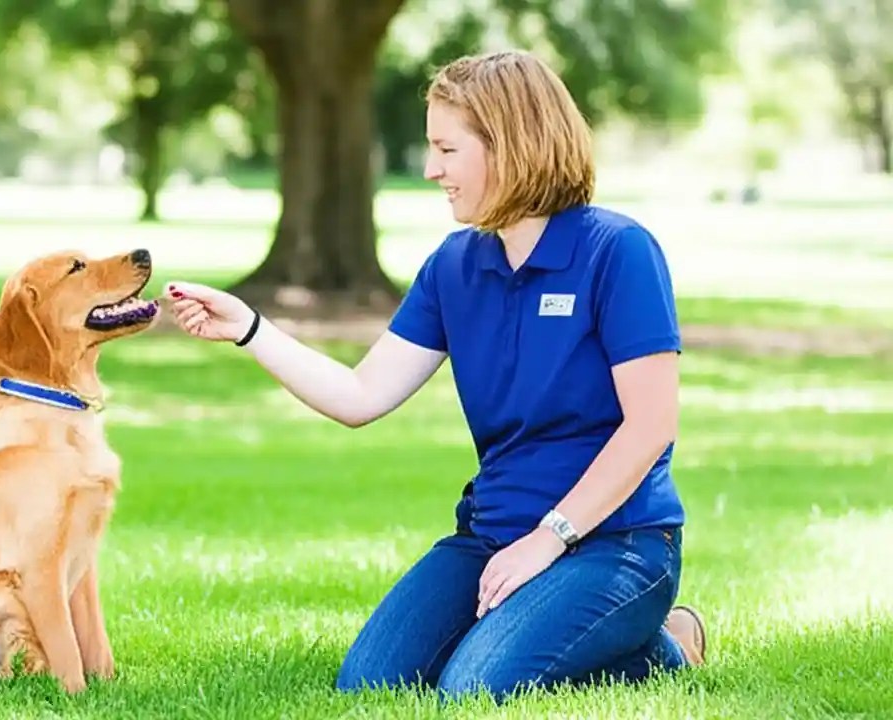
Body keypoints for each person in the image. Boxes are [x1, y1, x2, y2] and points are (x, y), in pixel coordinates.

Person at [163, 49, 707, 703]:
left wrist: (548, 539)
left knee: (473, 687)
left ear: (509, 144)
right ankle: (604, 634)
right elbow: (360, 396)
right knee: (372, 680)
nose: (430, 170)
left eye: (447, 150)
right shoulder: (455, 266)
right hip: (493, 536)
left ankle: (667, 643)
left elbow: (651, 426)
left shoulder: (616, 252)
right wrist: (250, 328)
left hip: (615, 544)